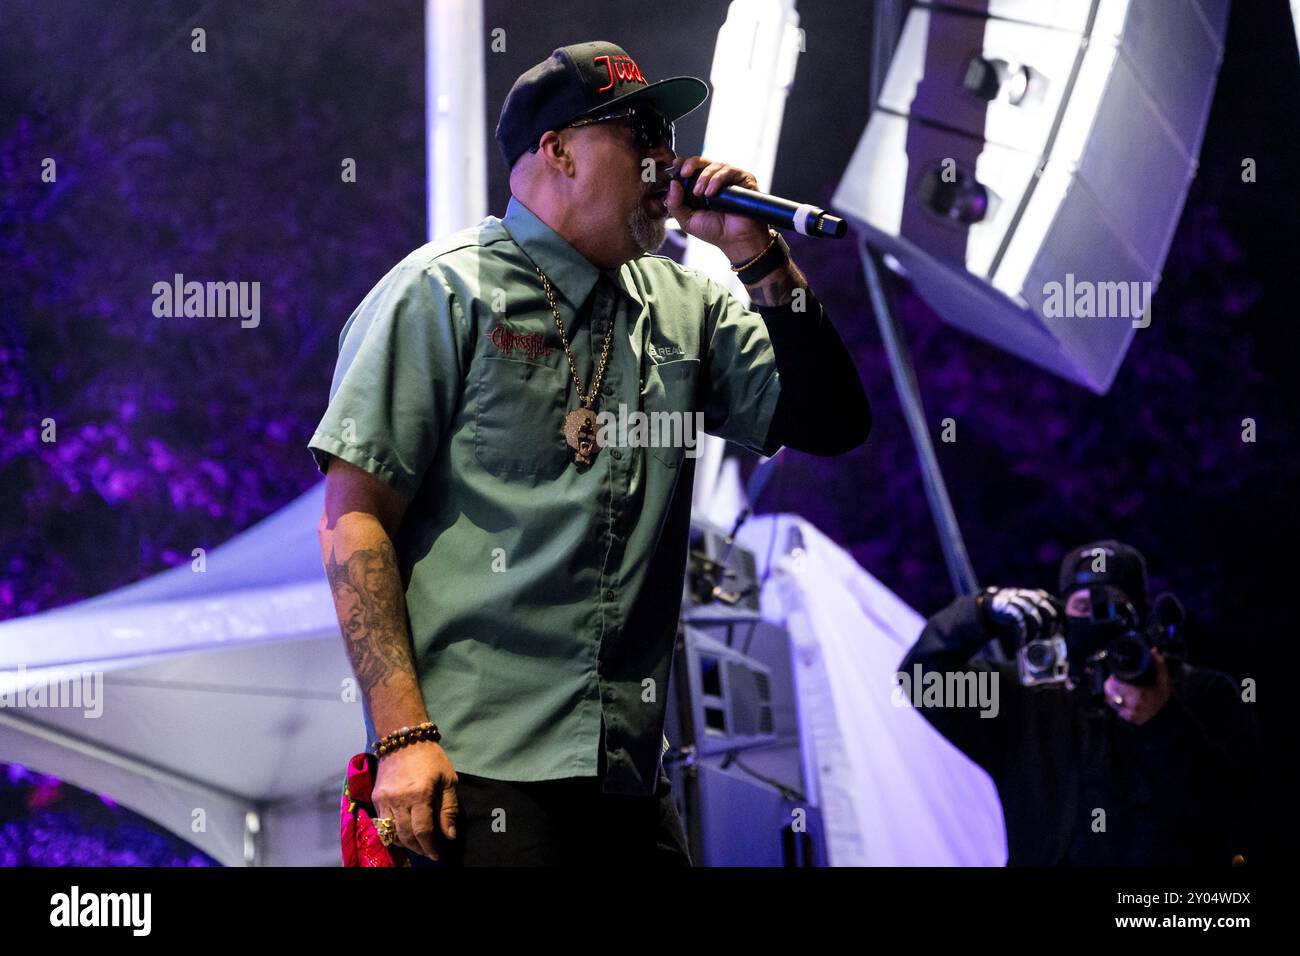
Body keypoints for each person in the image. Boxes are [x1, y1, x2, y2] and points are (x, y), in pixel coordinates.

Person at [309, 40, 870, 866]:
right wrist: (402, 737)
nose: (665, 155)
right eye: (637, 130)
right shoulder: (442, 292)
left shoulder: (688, 306)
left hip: (629, 782)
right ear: (558, 150)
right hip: (474, 771)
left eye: (667, 133)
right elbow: (354, 518)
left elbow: (831, 422)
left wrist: (759, 255)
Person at [900, 540, 1258, 866]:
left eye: (1111, 606)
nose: (1095, 618)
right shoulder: (1026, 694)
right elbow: (921, 679)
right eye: (1083, 605)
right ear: (1061, 613)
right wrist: (979, 612)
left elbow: (1240, 808)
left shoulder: (1200, 691)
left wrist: (1163, 721)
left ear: (1141, 612)